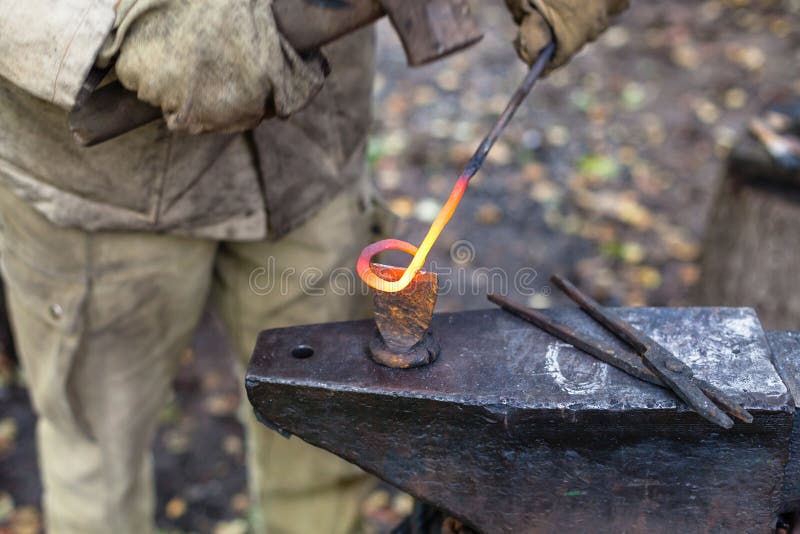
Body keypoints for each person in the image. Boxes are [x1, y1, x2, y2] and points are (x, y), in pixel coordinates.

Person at [0, 0, 627, 532]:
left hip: (308, 160)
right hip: (94, 193)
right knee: (97, 465)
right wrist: (91, 27)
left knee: (327, 443)